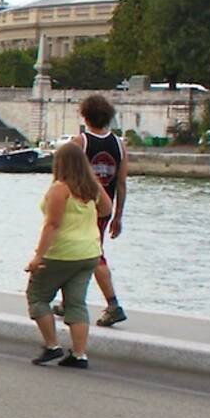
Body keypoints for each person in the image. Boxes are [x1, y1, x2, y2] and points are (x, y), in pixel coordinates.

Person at [25, 141, 115, 369]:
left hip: (61, 253)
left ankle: (52, 345)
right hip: (89, 254)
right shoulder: (91, 187)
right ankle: (79, 354)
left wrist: (38, 257)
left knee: (37, 297)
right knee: (76, 303)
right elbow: (107, 210)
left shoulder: (59, 189)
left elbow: (52, 225)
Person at [74, 94, 129, 327]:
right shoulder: (119, 144)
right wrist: (118, 215)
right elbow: (122, 183)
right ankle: (73, 299)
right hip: (106, 207)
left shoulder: (80, 142)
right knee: (83, 251)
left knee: (93, 254)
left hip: (83, 207)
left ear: (84, 116)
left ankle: (113, 303)